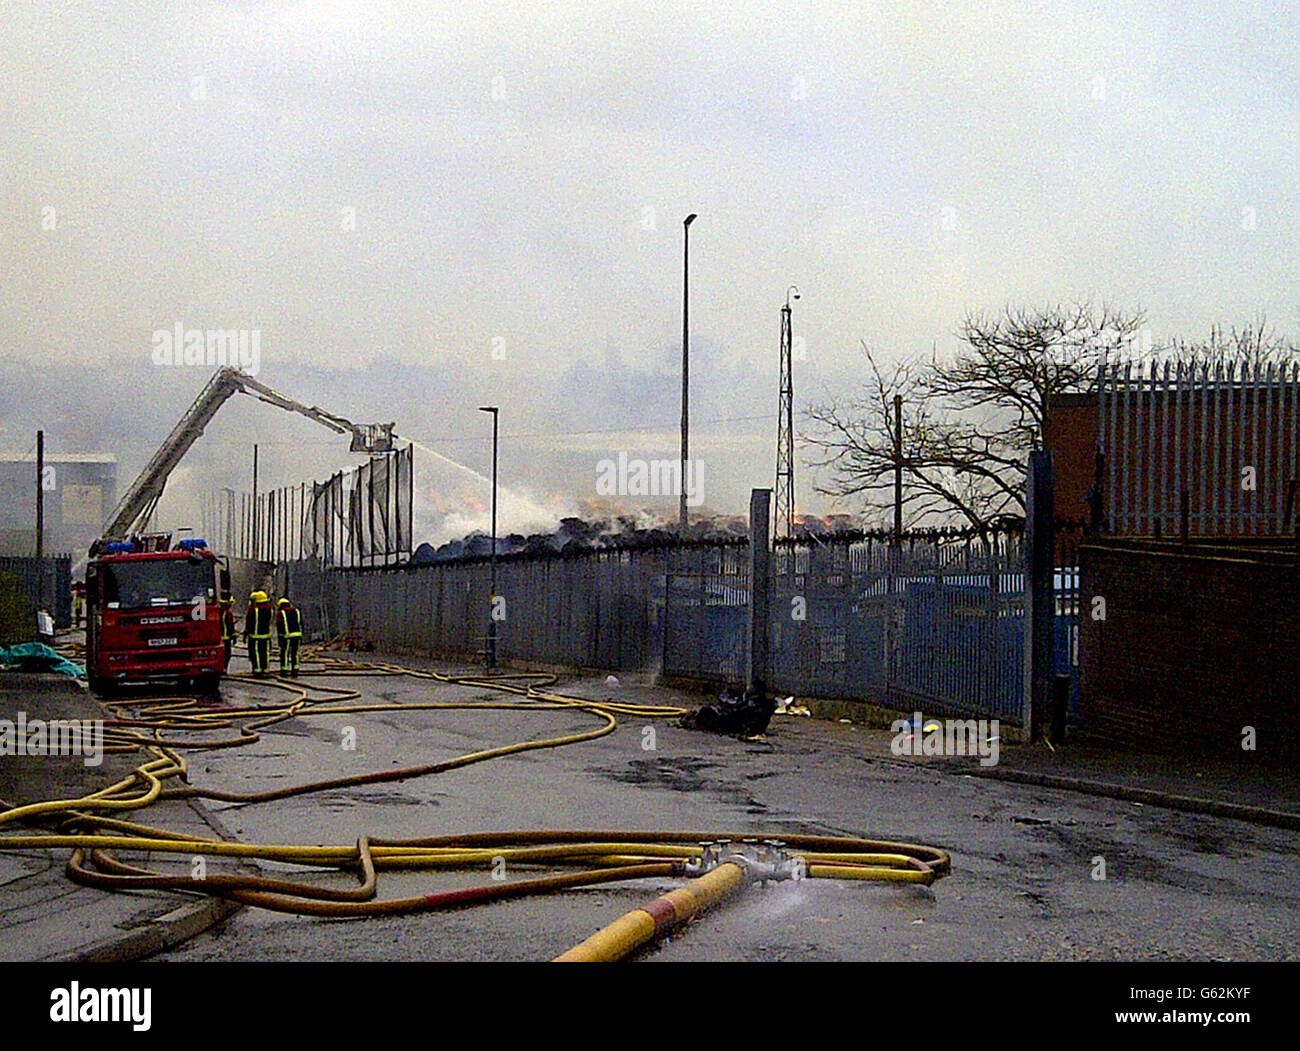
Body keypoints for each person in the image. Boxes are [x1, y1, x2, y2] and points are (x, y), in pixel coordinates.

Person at [243, 590, 273, 677]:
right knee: (265, 653)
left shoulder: (253, 610)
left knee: (255, 653)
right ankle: (265, 669)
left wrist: (245, 634)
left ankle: (257, 670)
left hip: (254, 636)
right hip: (266, 636)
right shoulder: (269, 610)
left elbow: (249, 623)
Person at [276, 597, 304, 676]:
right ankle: (295, 669)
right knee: (295, 653)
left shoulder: (281, 613)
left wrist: (280, 639)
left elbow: (280, 626)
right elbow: (301, 623)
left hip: (287, 636)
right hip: (297, 635)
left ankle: (284, 670)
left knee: (285, 653)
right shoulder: (296, 611)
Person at [219, 595, 237, 671]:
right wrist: (233, 636)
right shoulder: (228, 613)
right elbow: (230, 627)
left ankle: (221, 668)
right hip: (226, 639)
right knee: (226, 654)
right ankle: (224, 668)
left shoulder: (217, 612)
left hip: (218, 639)